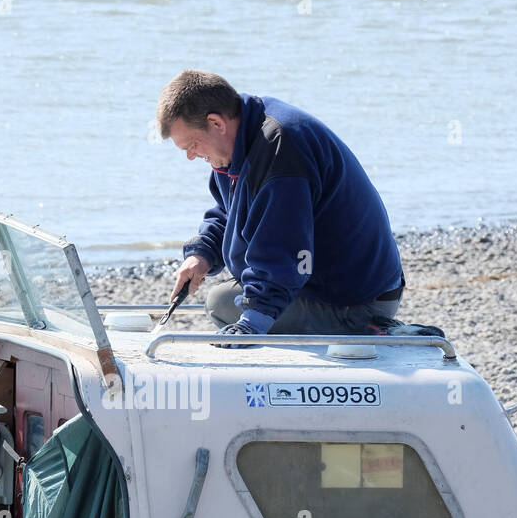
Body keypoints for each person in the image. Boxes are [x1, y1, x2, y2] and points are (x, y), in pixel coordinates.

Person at [157, 69, 405, 344]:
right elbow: (229, 214)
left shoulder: (280, 149)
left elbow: (284, 252)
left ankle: (366, 330)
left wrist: (251, 324)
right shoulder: (236, 143)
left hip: (357, 301)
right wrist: (201, 256)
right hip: (321, 284)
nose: (192, 156)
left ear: (216, 123)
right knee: (229, 299)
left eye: (192, 145)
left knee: (221, 303)